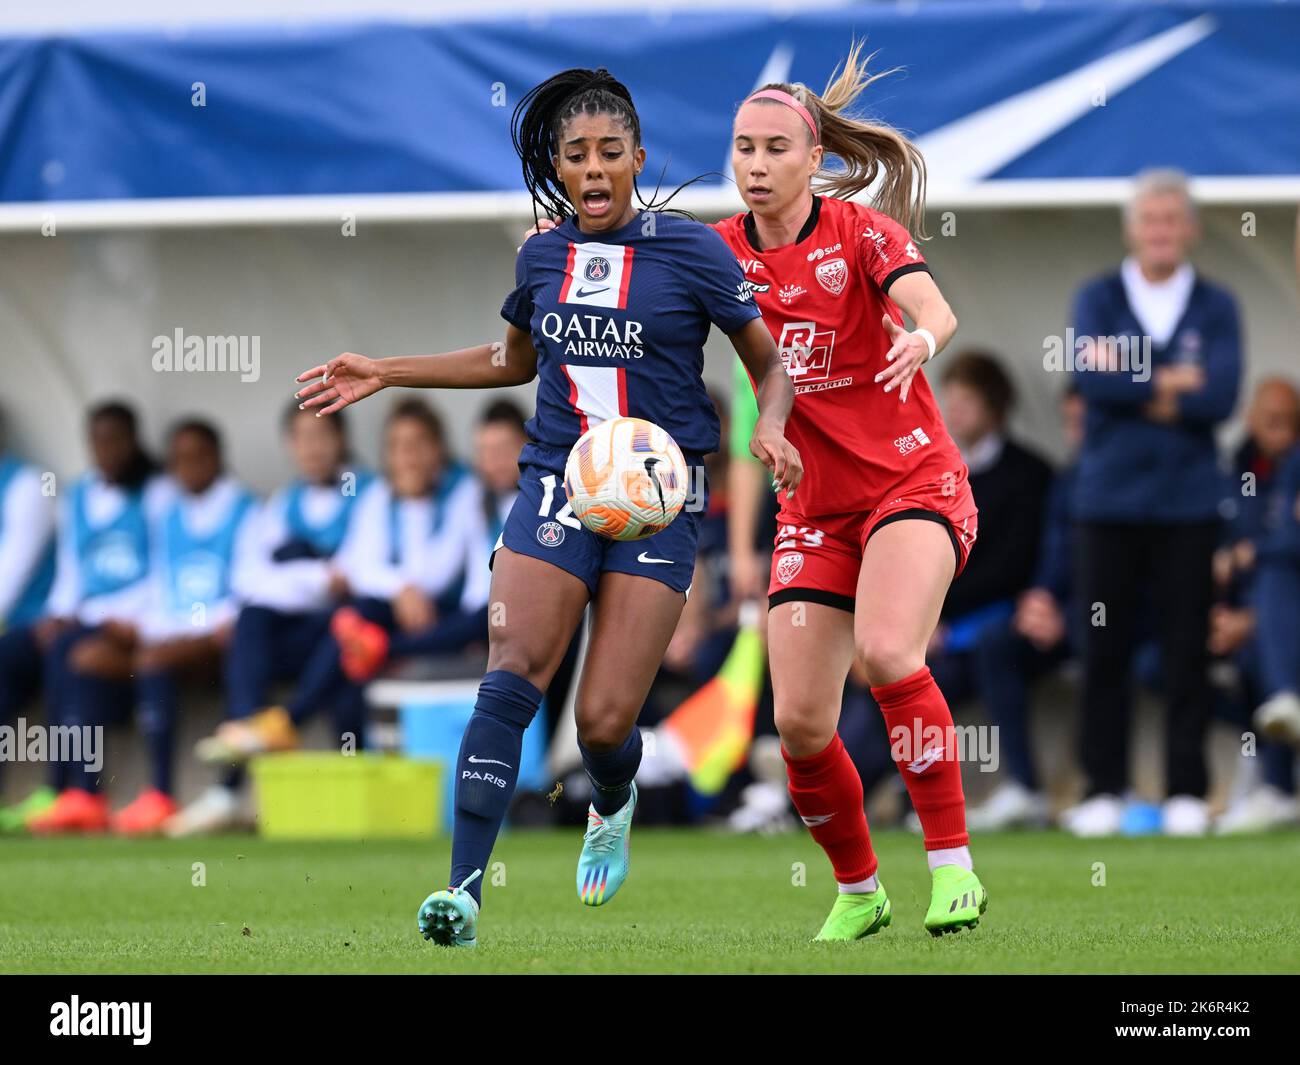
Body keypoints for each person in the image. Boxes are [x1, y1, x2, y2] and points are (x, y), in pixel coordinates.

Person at [293, 67, 800, 948]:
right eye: (576, 155)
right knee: (513, 665)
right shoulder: (539, 256)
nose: (594, 167)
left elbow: (769, 364)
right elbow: (510, 358)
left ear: (638, 160)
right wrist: (385, 368)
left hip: (656, 500)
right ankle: (463, 892)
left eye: (610, 152)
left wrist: (776, 428)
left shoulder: (696, 252)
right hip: (557, 485)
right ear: (559, 170)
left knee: (604, 721)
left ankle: (612, 793)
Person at [713, 42, 986, 938]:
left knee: (887, 652)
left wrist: (923, 339)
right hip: (815, 508)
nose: (756, 164)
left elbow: (933, 307)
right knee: (795, 720)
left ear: (816, 159)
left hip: (912, 479)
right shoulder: (717, 252)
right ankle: (861, 890)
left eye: (775, 149)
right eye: (744, 148)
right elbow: (634, 271)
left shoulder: (862, 232)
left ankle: (953, 869)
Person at [1063, 169, 1242, 837]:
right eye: (1150, 219)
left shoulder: (1216, 305)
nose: (1161, 231)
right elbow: (1090, 379)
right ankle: (1102, 786)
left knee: (1185, 649)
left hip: (1189, 505)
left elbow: (1220, 397)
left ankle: (1186, 792)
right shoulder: (1100, 296)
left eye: (1172, 220)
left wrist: (1134, 376)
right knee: (1103, 646)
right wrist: (1171, 384)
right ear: (1132, 228)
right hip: (1107, 502)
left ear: (1190, 228)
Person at [166, 402, 370, 836]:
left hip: (347, 630)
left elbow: (354, 576)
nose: (312, 449)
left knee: (347, 632)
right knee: (251, 621)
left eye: (321, 437)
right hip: (304, 628)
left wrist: (294, 572)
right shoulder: (282, 502)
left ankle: (279, 743)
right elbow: (251, 580)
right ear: (290, 446)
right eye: (302, 439)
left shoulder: (367, 492)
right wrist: (317, 574)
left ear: (342, 440)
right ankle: (242, 753)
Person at [51, 419, 258, 835]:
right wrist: (145, 627)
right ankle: (86, 794)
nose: (190, 467)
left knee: (151, 663)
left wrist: (188, 632)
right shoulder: (170, 513)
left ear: (217, 457)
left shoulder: (246, 508)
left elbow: (248, 590)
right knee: (82, 658)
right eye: (180, 460)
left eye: (198, 456)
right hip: (170, 633)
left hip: (221, 636)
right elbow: (162, 588)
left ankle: (161, 792)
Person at [18, 402, 167, 834]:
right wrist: (58, 614)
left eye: (115, 439)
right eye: (98, 440)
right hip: (87, 616)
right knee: (44, 647)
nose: (107, 449)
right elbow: (71, 571)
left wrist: (117, 616)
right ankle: (64, 790)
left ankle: (84, 789)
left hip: (134, 619)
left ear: (133, 441)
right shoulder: (78, 494)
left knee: (75, 654)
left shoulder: (156, 493)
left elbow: (162, 571)